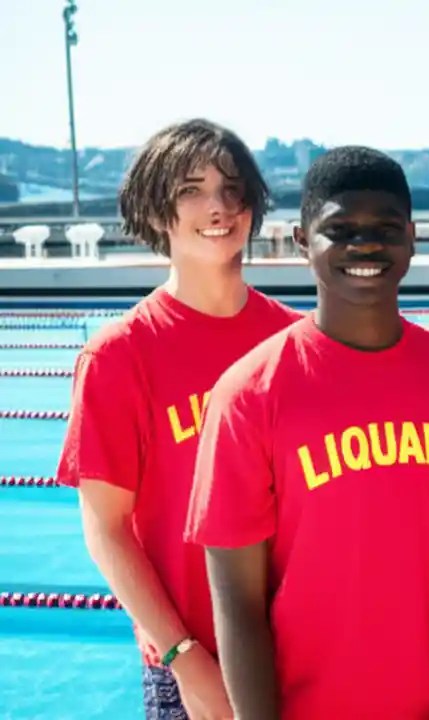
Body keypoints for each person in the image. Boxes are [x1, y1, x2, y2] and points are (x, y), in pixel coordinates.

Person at [184, 146, 429, 720]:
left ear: (412, 237)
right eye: (340, 229)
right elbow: (235, 602)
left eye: (383, 228)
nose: (365, 245)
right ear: (303, 240)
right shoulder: (250, 394)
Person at [54, 119, 301, 720]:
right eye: (192, 188)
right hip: (193, 665)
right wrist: (186, 661)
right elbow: (106, 531)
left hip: (300, 653)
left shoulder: (292, 340)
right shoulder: (121, 356)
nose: (218, 206)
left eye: (232, 187)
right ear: (157, 209)